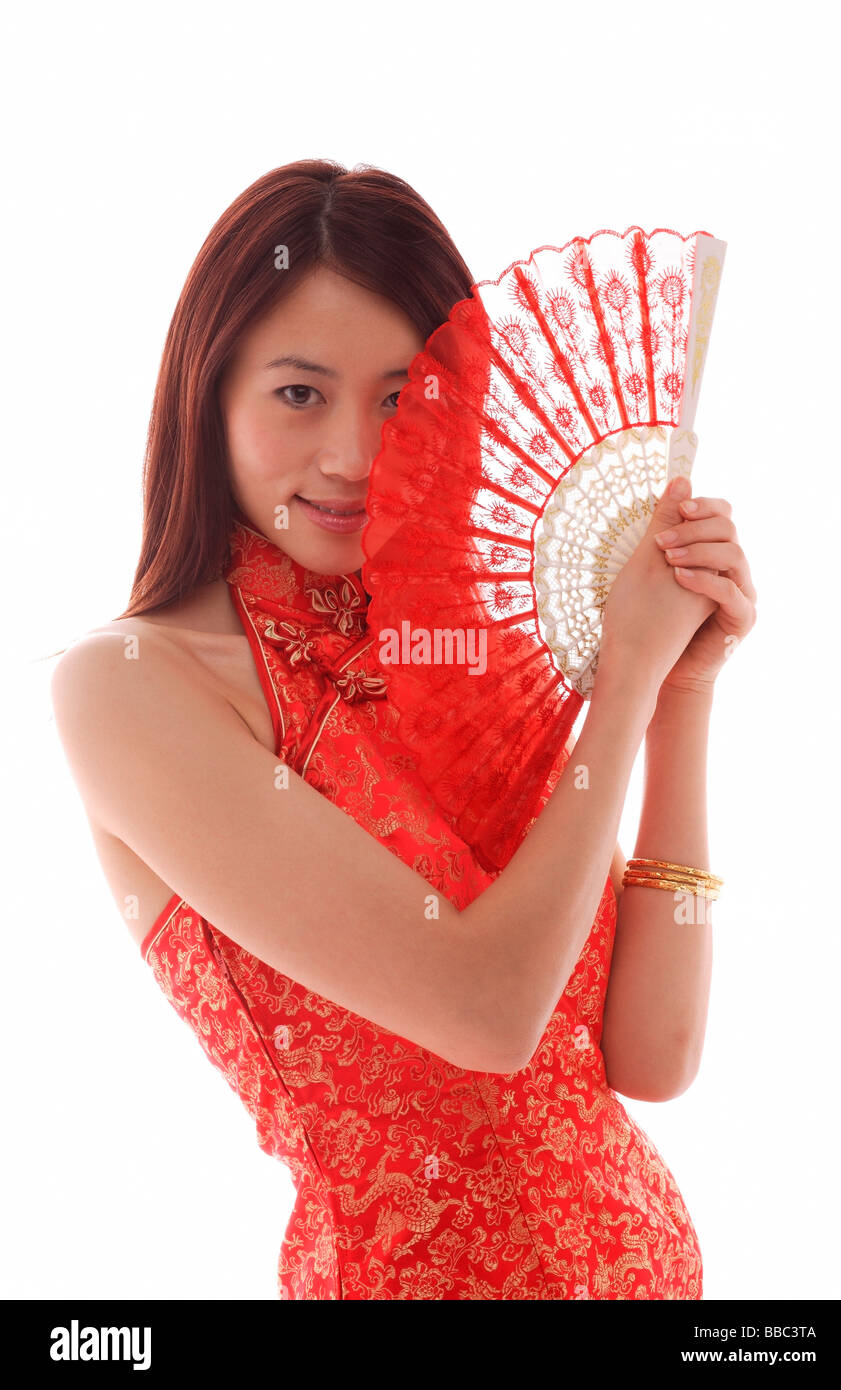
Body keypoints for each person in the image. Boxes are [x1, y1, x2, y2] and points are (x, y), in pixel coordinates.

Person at [50, 158, 757, 1300]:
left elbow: (650, 1058)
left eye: (399, 396)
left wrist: (680, 696)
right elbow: (485, 1014)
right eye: (298, 393)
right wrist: (622, 682)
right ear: (207, 394)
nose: (353, 455)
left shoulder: (474, 651)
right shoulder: (135, 686)